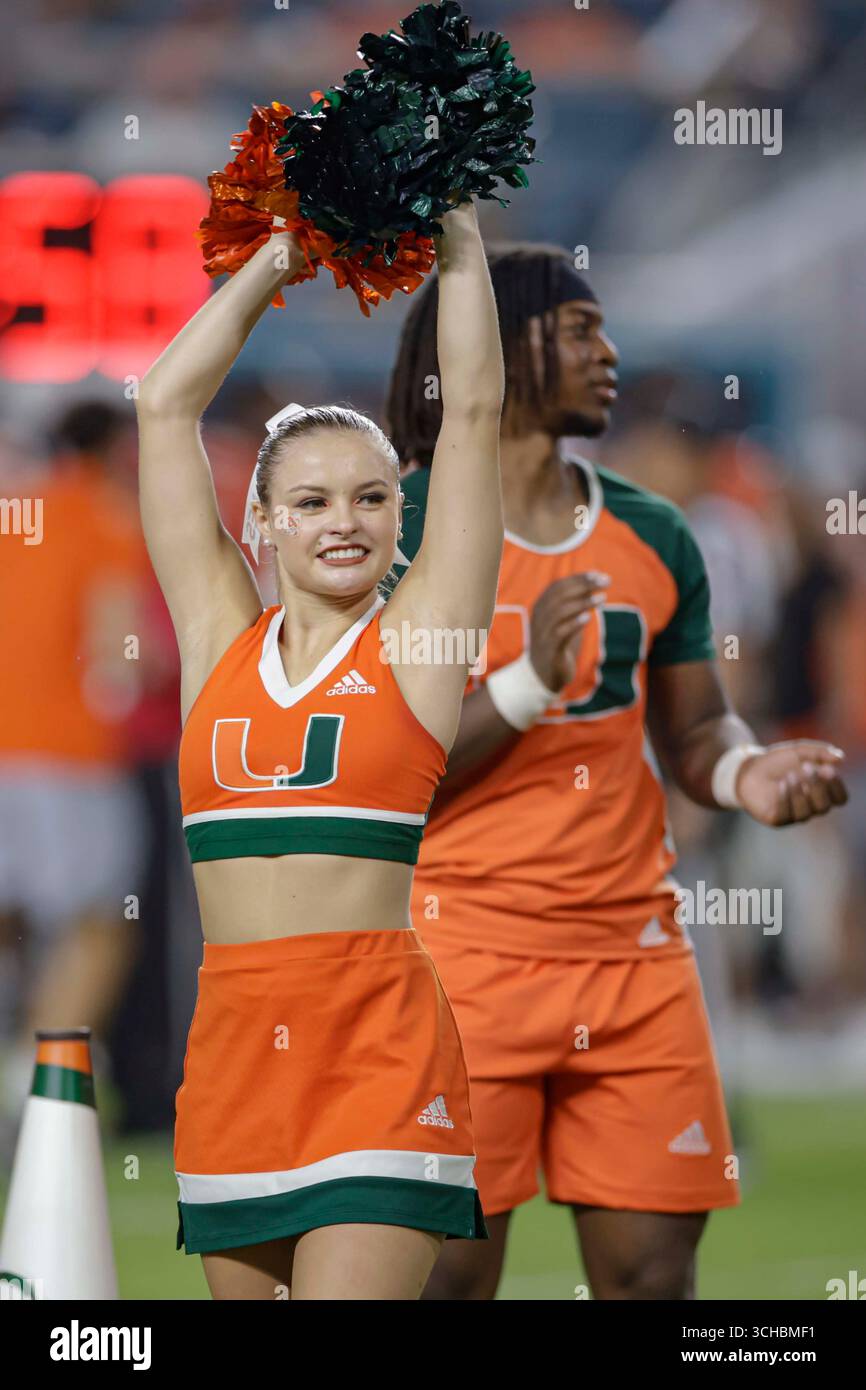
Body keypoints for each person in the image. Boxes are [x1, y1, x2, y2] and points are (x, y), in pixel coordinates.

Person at [385, 244, 849, 1300]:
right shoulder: (396, 528)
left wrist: (746, 778)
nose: (610, 355)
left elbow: (696, 733)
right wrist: (519, 686)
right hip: (453, 957)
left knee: (649, 1279)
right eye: (581, 331)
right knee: (444, 1281)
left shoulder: (653, 530)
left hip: (631, 953)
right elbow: (379, 771)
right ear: (500, 349)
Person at [135, 200, 505, 1300]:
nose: (343, 519)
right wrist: (281, 259)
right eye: (309, 500)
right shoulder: (217, 643)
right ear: (261, 524)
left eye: (371, 497)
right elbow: (162, 405)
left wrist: (458, 240)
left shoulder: (422, 643)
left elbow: (474, 412)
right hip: (235, 1049)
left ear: (402, 516)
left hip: (375, 1049)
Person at [0, 402, 149, 1142]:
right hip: (69, 754)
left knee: (14, 919)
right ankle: (38, 1089)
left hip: (7, 748)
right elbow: (123, 650)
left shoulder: (12, 508)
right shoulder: (102, 513)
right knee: (99, 921)